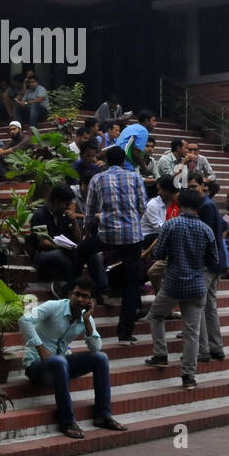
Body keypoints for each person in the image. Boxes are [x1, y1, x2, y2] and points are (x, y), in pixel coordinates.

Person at [20, 277, 127, 439]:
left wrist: (87, 322)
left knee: (101, 358)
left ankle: (103, 415)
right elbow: (24, 320)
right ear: (70, 294)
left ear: (90, 301)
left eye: (85, 296)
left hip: (59, 367)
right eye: (77, 294)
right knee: (60, 361)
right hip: (36, 367)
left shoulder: (86, 318)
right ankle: (67, 421)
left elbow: (96, 348)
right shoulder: (53, 306)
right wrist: (40, 348)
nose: (80, 299)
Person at [143, 189, 220, 390]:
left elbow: (158, 253)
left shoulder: (171, 225)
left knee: (156, 315)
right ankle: (188, 376)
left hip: (173, 283)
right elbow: (214, 261)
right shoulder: (206, 229)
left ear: (181, 203)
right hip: (197, 285)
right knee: (192, 332)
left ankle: (160, 354)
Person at [84, 145, 147, 343]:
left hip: (106, 236)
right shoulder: (135, 177)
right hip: (132, 237)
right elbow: (142, 207)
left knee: (81, 252)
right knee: (131, 284)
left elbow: (89, 212)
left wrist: (87, 235)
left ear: (107, 161)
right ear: (123, 161)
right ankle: (125, 333)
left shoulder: (97, 178)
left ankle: (72, 291)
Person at [31, 184, 109, 302]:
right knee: (59, 255)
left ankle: (103, 291)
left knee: (93, 254)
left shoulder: (65, 215)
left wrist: (73, 221)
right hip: (44, 254)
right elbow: (43, 242)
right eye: (66, 204)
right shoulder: (40, 215)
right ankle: (72, 288)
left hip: (67, 249)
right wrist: (61, 247)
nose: (68, 207)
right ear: (56, 201)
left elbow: (78, 238)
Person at [189, 174, 228, 362]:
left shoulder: (204, 206)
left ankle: (204, 349)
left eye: (195, 186)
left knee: (201, 307)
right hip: (215, 261)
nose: (192, 189)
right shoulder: (207, 205)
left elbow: (205, 236)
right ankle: (216, 347)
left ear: (203, 186)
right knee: (210, 307)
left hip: (207, 263)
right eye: (189, 187)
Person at [116, 109, 156, 173]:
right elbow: (136, 153)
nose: (155, 124)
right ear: (146, 121)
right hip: (126, 166)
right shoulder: (143, 130)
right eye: (153, 121)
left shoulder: (130, 127)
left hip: (117, 163)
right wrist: (144, 167)